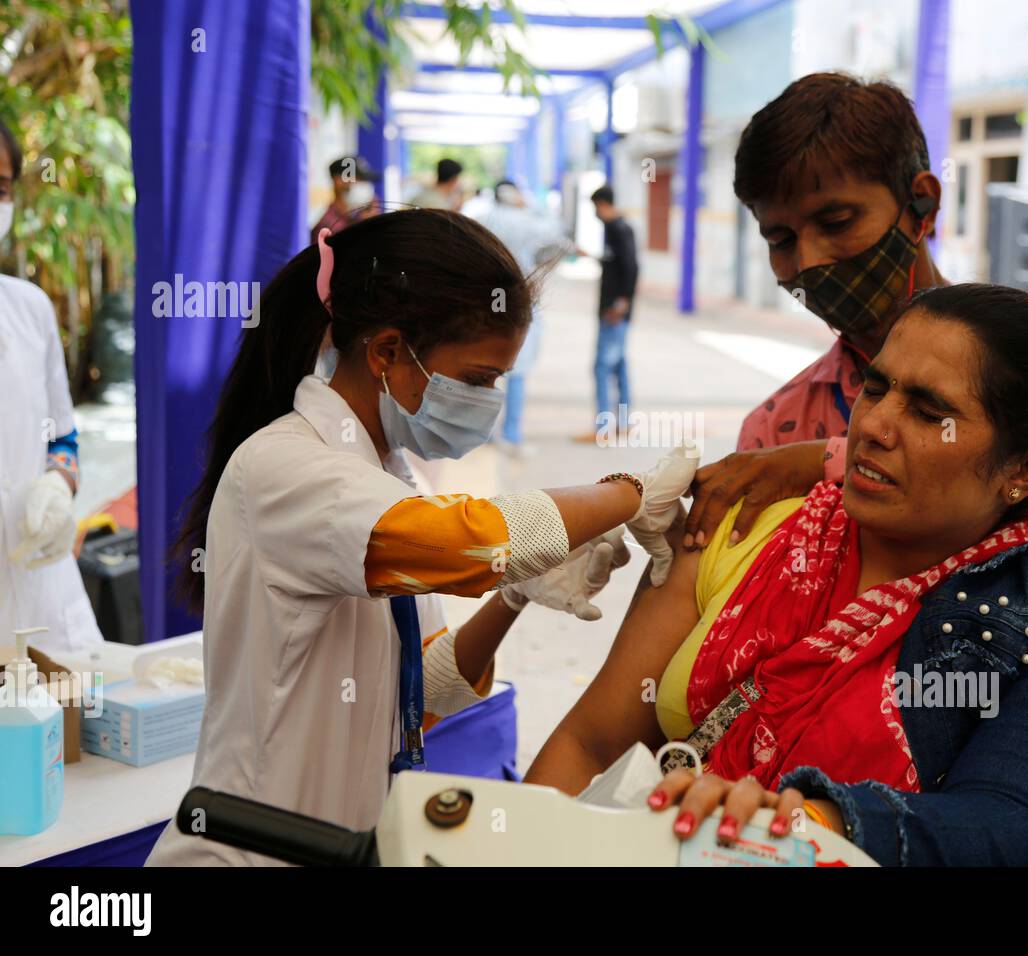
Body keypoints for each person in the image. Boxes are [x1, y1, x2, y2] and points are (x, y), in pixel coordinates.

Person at [673, 73, 1028, 836]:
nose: (806, 261)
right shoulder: (776, 422)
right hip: (791, 802)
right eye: (779, 238)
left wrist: (821, 461)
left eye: (835, 221)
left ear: (922, 203)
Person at [528, 284, 1028, 866]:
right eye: (878, 387)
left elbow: (1013, 825)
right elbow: (588, 746)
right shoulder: (747, 529)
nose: (874, 426)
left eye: (927, 411)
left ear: (1023, 471)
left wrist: (820, 821)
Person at [145, 209, 696, 865]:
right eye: (478, 380)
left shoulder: (384, 476)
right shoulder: (285, 467)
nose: (489, 403)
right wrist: (629, 492)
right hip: (250, 851)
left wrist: (516, 596)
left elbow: (424, 691)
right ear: (386, 353)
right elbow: (462, 542)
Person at [0, 116, 103, 655]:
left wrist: (57, 489)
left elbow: (61, 439)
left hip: (41, 591)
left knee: (59, 731)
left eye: (0, 188)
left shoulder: (30, 309)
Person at [471, 179, 571, 456]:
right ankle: (512, 435)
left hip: (486, 302)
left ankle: (483, 432)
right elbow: (557, 231)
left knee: (485, 368)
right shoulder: (527, 220)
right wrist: (533, 206)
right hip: (519, 301)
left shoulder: (481, 219)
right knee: (518, 369)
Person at [576, 185, 638, 442]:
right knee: (619, 365)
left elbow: (631, 268)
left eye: (595, 207)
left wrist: (620, 304)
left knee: (602, 367)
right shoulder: (616, 229)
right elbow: (615, 264)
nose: (595, 214)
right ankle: (622, 422)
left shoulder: (618, 229)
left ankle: (604, 426)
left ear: (603, 204)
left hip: (614, 311)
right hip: (615, 309)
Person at [309, 155, 380, 245]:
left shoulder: (353, 219)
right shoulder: (329, 228)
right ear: (339, 181)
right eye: (359, 179)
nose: (365, 186)